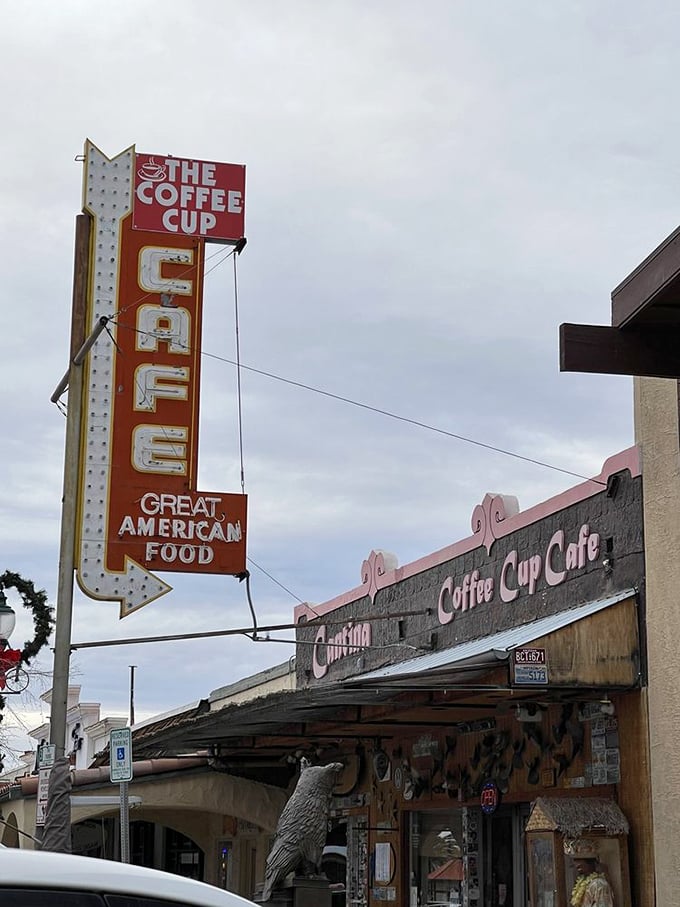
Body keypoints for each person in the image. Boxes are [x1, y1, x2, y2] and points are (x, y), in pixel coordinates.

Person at [563, 838, 613, 907]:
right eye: (575, 860)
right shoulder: (582, 883)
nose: (576, 864)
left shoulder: (599, 884)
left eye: (580, 860)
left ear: (590, 862)